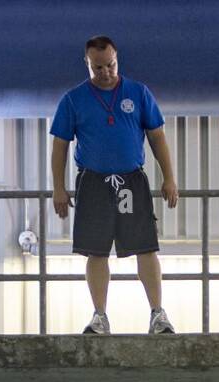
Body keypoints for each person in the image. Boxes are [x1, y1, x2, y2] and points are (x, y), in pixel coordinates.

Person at [50, 34, 180, 335]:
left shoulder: (138, 92)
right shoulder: (73, 100)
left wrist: (169, 177)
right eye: (98, 68)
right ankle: (99, 316)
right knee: (96, 251)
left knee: (145, 247)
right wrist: (58, 187)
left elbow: (157, 137)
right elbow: (59, 146)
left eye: (110, 65)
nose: (105, 72)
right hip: (93, 182)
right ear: (87, 64)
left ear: (116, 58)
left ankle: (158, 315)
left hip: (131, 181)